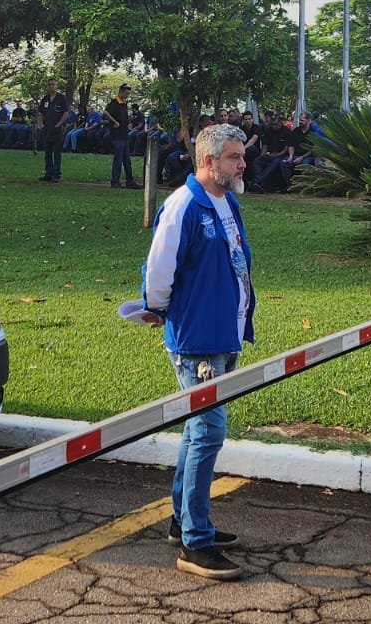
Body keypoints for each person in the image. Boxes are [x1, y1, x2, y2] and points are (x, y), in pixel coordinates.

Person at [139, 123, 254, 581]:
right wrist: (156, 308)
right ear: (209, 162)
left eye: (240, 156)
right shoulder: (184, 205)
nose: (242, 164)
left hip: (224, 334)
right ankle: (195, 543)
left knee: (196, 431)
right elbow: (159, 266)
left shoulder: (228, 202)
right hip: (197, 341)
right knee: (208, 432)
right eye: (233, 157)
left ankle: (183, 521)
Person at [36, 78, 69, 182]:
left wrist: (59, 124)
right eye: (49, 84)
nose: (51, 86)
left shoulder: (61, 98)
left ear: (56, 86)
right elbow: (40, 113)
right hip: (47, 129)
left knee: (57, 153)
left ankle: (56, 174)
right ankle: (48, 173)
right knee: (47, 153)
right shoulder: (45, 99)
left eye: (53, 84)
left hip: (57, 130)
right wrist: (40, 124)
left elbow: (66, 113)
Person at [106, 84, 136, 188]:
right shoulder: (115, 102)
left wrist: (128, 123)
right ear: (121, 91)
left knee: (127, 159)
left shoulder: (124, 103)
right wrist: (115, 122)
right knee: (118, 159)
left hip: (124, 134)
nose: (127, 95)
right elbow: (106, 113)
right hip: (117, 135)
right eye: (126, 93)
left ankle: (130, 181)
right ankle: (115, 181)